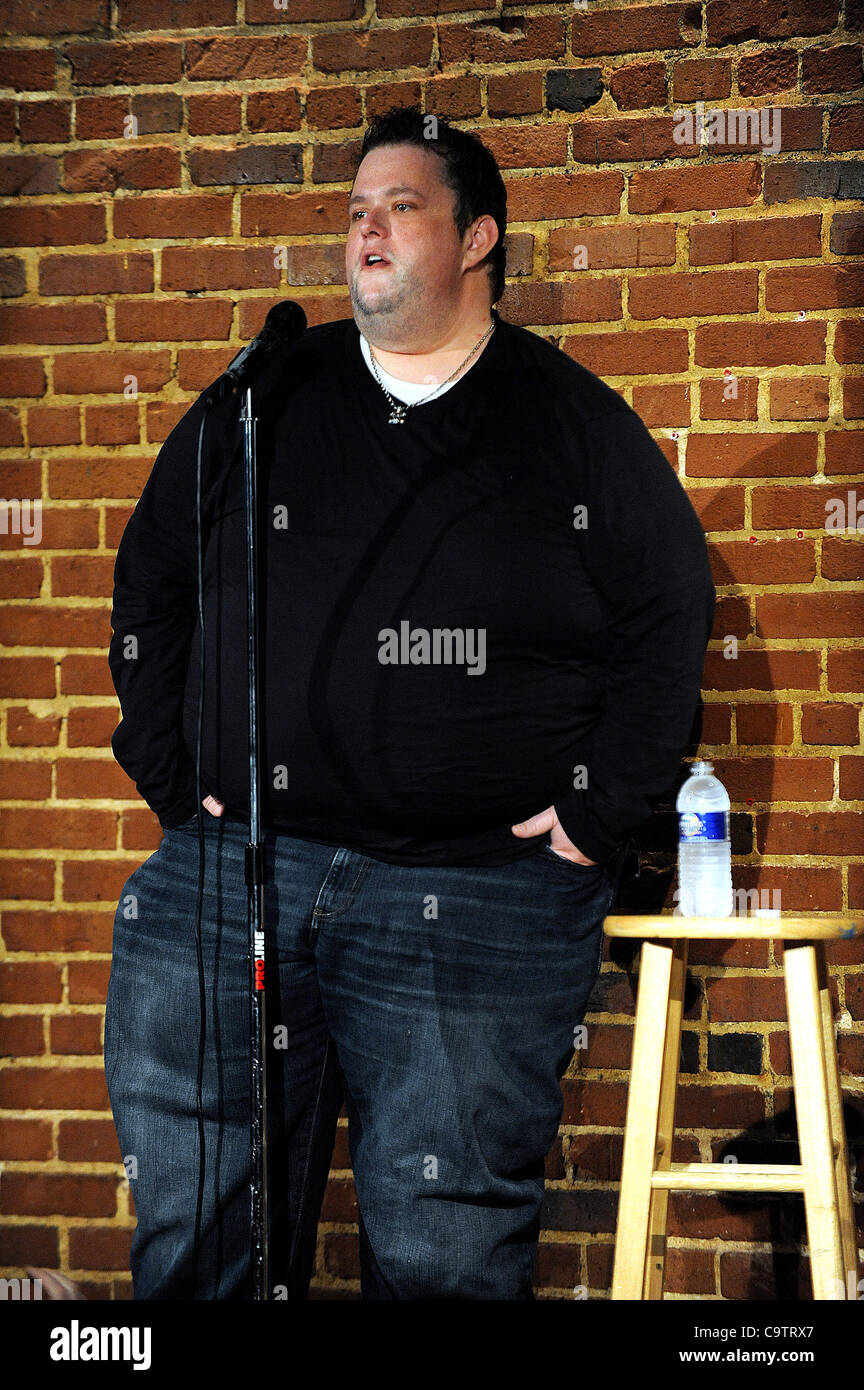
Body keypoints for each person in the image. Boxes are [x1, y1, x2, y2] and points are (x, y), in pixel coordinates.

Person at [105, 105, 716, 1301]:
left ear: (479, 237)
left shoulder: (568, 420)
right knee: (197, 1242)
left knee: (445, 1257)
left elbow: (668, 610)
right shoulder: (265, 396)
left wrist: (595, 813)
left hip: (476, 895)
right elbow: (152, 577)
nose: (366, 230)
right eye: (354, 210)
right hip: (238, 871)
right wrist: (173, 771)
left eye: (401, 205)